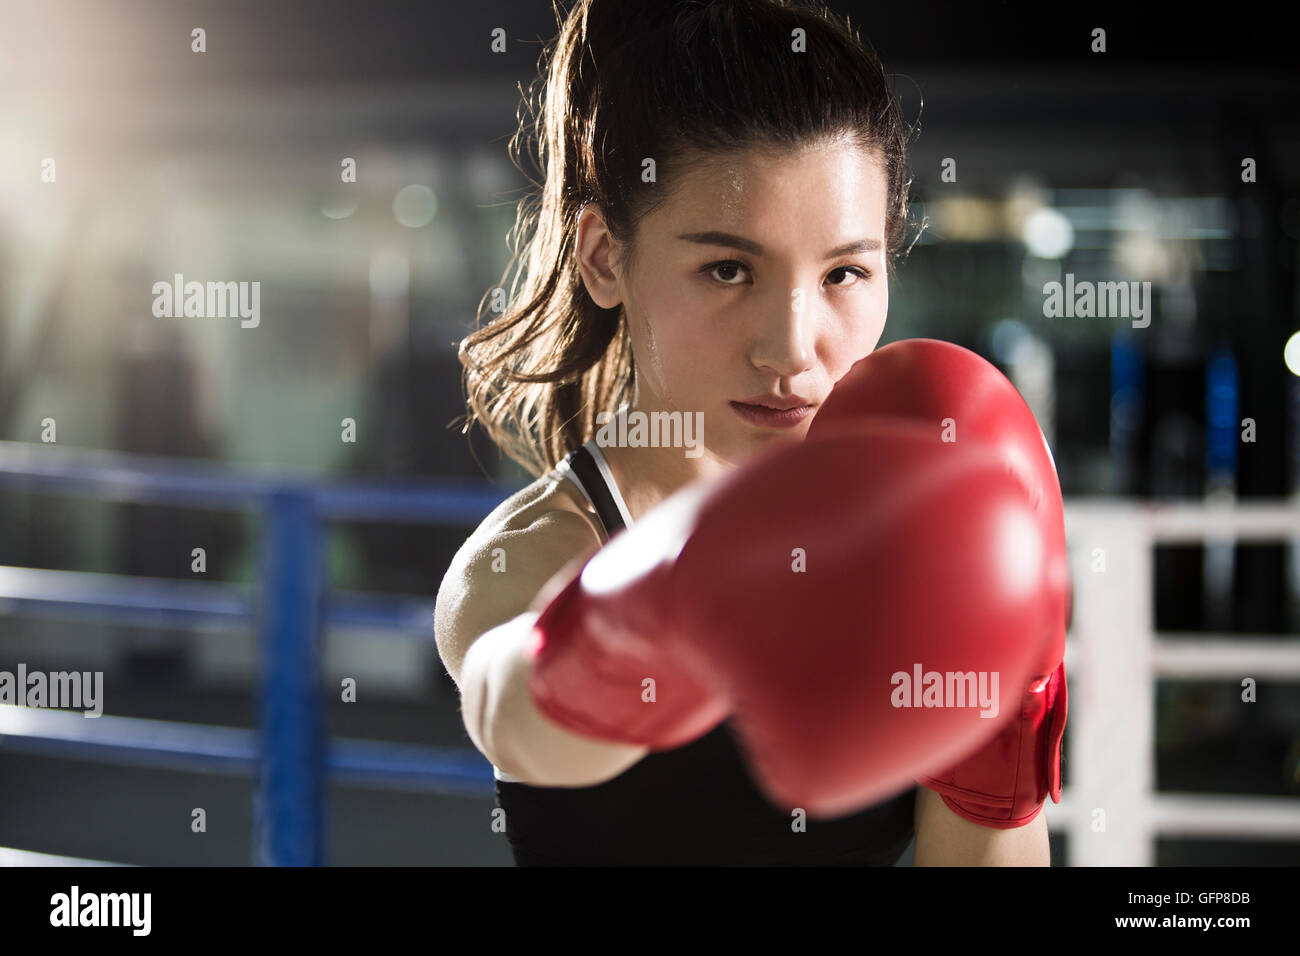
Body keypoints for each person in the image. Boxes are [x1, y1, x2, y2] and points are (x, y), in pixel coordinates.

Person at [437, 0, 1055, 865]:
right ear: (605, 257)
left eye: (845, 271)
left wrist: (1005, 732)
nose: (793, 349)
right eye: (728, 269)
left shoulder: (900, 529)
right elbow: (511, 705)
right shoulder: (534, 556)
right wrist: (657, 618)